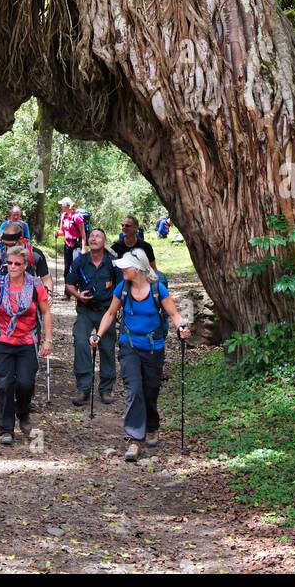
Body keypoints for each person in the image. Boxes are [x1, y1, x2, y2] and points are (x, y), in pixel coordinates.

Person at [90, 248, 190, 461]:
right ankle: (134, 438)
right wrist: (98, 335)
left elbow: (174, 314)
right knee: (134, 389)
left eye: (126, 266)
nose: (122, 269)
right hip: (129, 346)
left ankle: (152, 426)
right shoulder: (122, 288)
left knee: (150, 391)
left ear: (137, 269)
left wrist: (182, 327)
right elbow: (110, 313)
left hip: (154, 348)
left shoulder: (158, 289)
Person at [0, 245, 52, 446]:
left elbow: (46, 312)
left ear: (25, 265)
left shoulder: (35, 285)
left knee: (25, 383)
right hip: (3, 340)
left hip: (27, 341)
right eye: (10, 263)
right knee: (4, 384)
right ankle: (6, 428)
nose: (13, 267)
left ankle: (23, 413)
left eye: (17, 264)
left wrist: (48, 339)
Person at [66, 227, 116, 406]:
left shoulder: (112, 263)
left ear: (104, 242)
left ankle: (106, 389)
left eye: (98, 236)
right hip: (85, 310)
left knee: (107, 346)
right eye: (92, 236)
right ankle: (83, 388)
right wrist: (79, 296)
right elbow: (69, 284)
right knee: (80, 340)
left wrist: (116, 309)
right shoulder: (80, 261)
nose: (94, 239)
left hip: (106, 310)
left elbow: (120, 287)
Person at [0, 222, 54, 298]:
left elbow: (46, 278)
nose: (8, 248)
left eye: (11, 245)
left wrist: (49, 294)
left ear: (21, 239)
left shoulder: (35, 254)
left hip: (30, 297)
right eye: (6, 245)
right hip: (5, 298)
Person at [56, 197, 87, 295]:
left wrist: (83, 248)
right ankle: (68, 293)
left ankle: (81, 291)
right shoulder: (63, 216)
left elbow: (83, 235)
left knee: (77, 268)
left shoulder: (77, 217)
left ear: (67, 206)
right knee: (67, 268)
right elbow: (62, 232)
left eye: (62, 204)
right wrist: (57, 233)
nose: (61, 206)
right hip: (67, 245)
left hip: (77, 245)